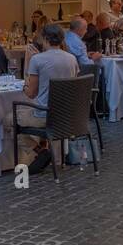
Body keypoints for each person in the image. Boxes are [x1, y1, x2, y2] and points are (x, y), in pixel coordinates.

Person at [19, 22, 79, 174]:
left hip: (45, 115)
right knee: (49, 117)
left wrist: (24, 84)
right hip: (66, 114)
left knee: (6, 121)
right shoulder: (72, 59)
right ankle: (54, 158)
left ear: (44, 39)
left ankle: (40, 151)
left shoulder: (37, 60)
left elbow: (31, 93)